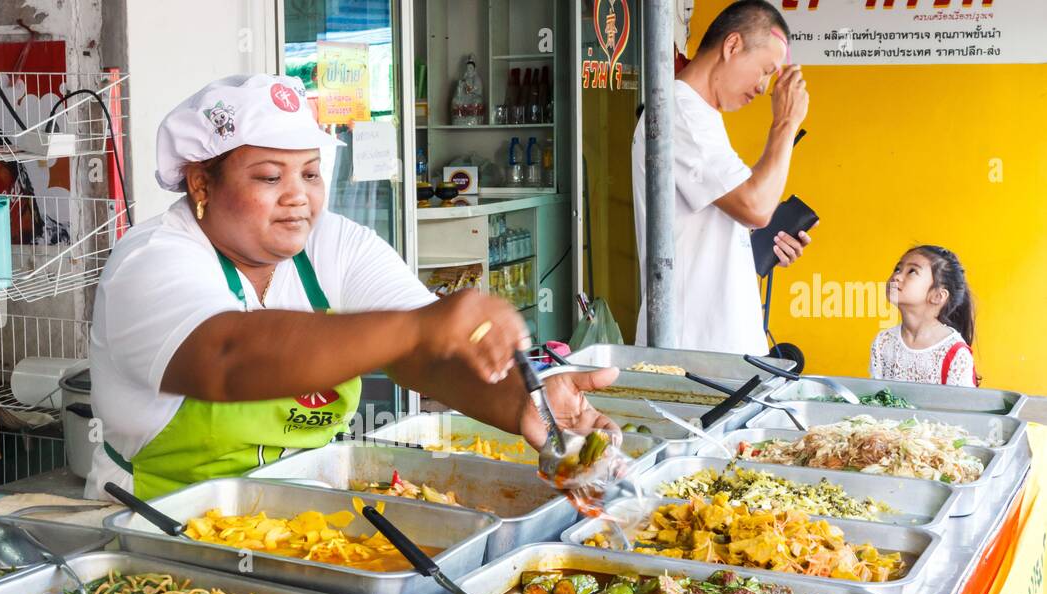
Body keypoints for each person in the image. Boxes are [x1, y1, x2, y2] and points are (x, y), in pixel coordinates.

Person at [85, 74, 618, 500]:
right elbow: (227, 357)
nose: (298, 198)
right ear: (202, 183)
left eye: (310, 175)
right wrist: (420, 326)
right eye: (271, 178)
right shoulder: (152, 261)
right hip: (159, 532)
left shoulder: (335, 245)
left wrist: (520, 403)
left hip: (302, 523)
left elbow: (427, 360)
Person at [632, 0, 811, 354]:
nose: (763, 88)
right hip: (696, 351)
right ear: (732, 46)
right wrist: (785, 123)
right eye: (764, 70)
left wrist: (769, 241)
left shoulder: (701, 116)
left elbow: (741, 215)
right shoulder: (679, 112)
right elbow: (755, 206)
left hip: (719, 347)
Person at [870, 246, 978, 388]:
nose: (896, 276)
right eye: (897, 269)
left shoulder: (955, 354)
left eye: (912, 271)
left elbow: (963, 408)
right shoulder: (883, 342)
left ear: (937, 296)